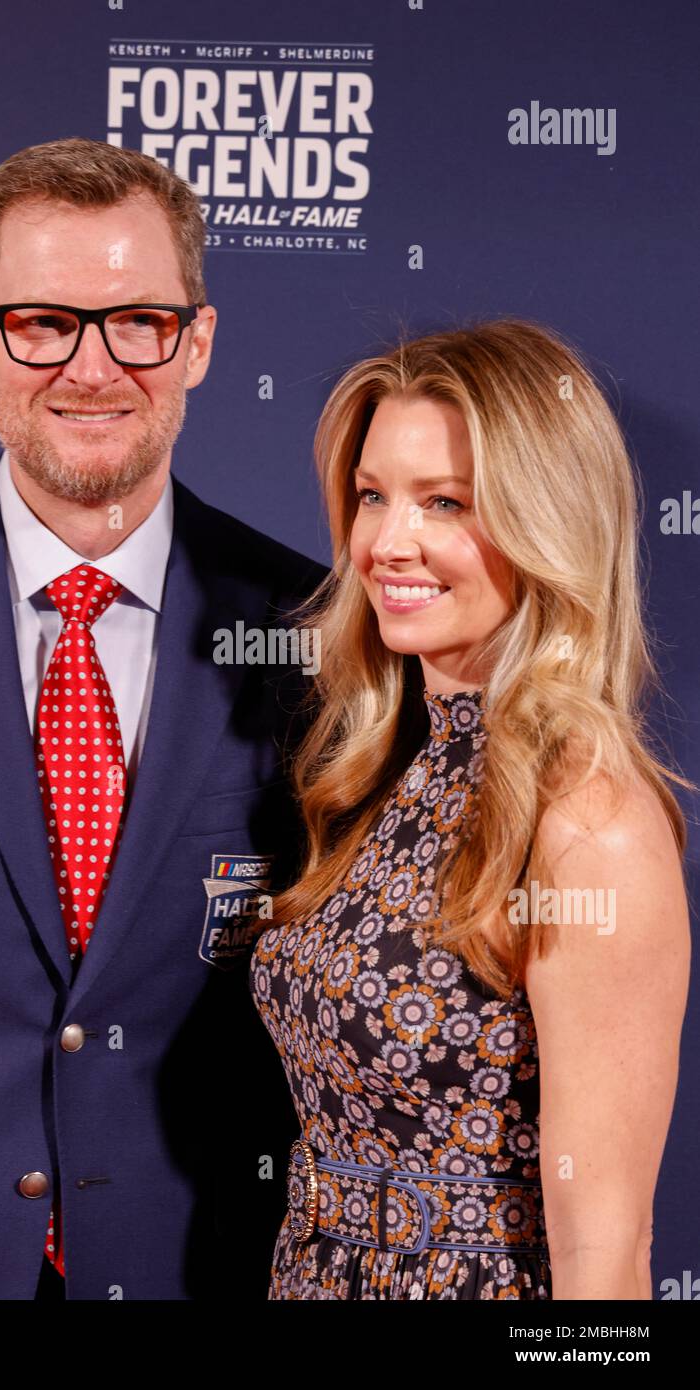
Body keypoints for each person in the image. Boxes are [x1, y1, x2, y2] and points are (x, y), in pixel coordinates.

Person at [0, 137, 325, 1300]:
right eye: (44, 322)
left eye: (137, 322)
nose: (92, 368)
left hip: (202, 1261)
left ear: (197, 343)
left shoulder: (318, 634)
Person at [250, 319, 692, 1299]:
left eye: (443, 502)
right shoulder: (394, 767)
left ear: (547, 523)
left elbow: (603, 1254)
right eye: (371, 496)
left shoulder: (586, 824)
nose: (384, 542)